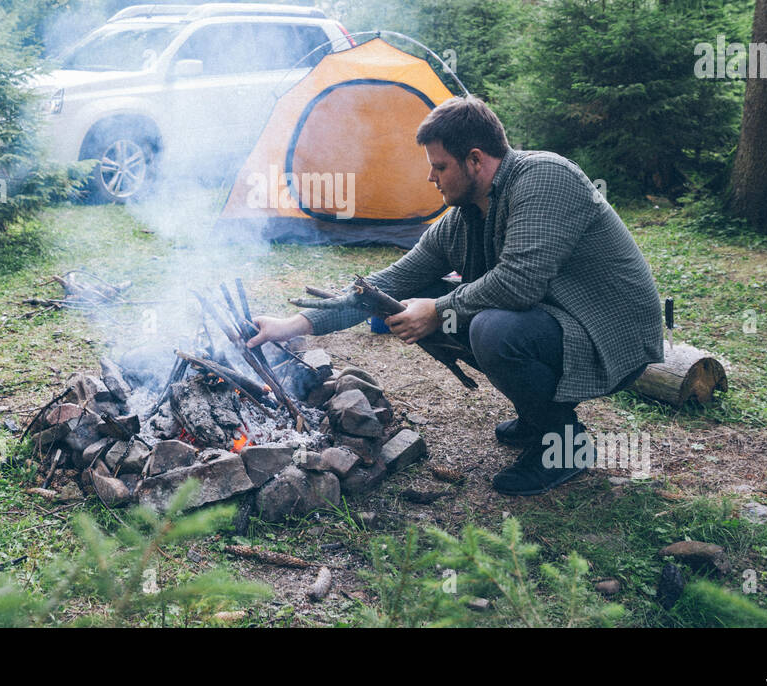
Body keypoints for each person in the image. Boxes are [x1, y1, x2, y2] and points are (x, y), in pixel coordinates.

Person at [247, 95, 664, 496]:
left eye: (440, 166)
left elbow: (520, 283)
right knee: (431, 297)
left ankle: (564, 444)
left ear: (476, 160)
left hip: (607, 332)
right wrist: (294, 325)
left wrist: (440, 310)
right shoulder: (466, 215)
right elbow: (391, 281)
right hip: (555, 319)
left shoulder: (545, 178)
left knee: (491, 328)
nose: (432, 178)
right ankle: (539, 418)